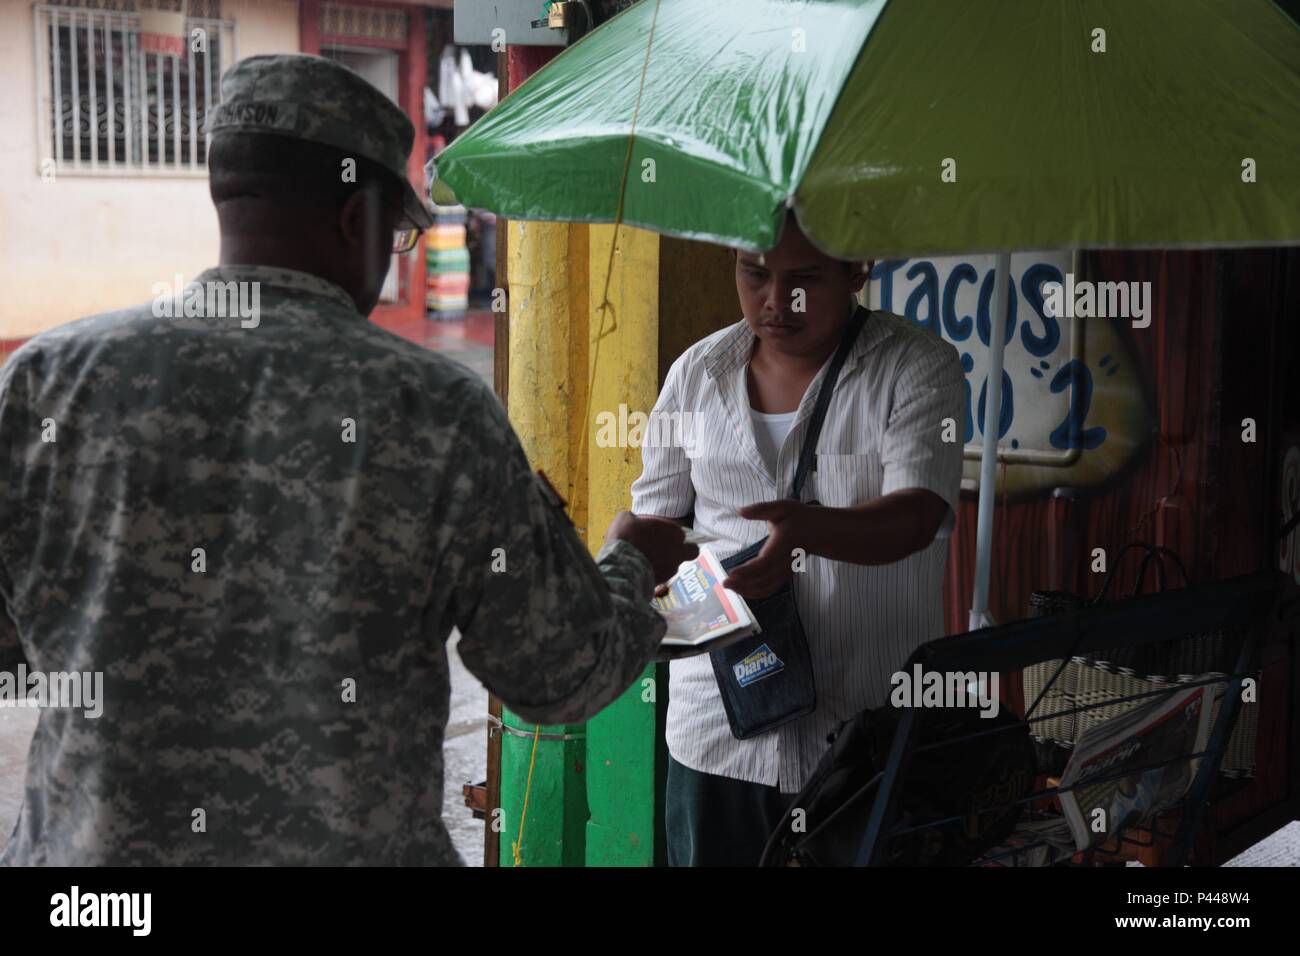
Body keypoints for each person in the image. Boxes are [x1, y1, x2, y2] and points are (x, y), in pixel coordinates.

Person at [0, 54, 693, 866]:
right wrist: (631, 566)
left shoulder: (47, 383)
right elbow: (560, 673)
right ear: (355, 216)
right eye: (397, 233)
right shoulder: (435, 410)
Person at [632, 213, 964, 866]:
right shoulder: (695, 375)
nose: (776, 302)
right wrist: (635, 551)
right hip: (715, 733)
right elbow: (662, 529)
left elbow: (919, 514)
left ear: (857, 270)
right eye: (754, 274)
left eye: (804, 279)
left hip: (862, 735)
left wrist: (814, 531)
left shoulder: (919, 369)